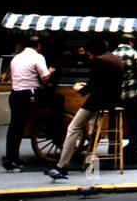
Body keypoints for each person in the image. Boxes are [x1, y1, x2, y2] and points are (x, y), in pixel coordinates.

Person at [48, 38, 123, 177]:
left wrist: (80, 90)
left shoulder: (99, 61)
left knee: (73, 127)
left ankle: (62, 165)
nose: (88, 57)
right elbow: (101, 82)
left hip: (99, 101)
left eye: (89, 54)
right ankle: (92, 138)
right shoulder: (115, 59)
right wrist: (86, 86)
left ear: (94, 52)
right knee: (91, 124)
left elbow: (94, 85)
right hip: (112, 101)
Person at [3, 36, 53, 170]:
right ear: (38, 46)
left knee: (14, 126)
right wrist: (51, 71)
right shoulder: (38, 57)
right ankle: (52, 125)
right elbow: (45, 76)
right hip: (29, 95)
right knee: (56, 100)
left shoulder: (16, 58)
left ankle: (11, 156)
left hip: (15, 95)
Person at [113, 35, 137, 163]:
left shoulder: (112, 54)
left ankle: (113, 152)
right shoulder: (134, 53)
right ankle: (133, 153)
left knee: (115, 124)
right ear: (131, 42)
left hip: (116, 95)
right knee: (135, 124)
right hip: (132, 93)